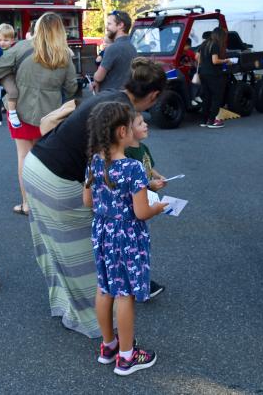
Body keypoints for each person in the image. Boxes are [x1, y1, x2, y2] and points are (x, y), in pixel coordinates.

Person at [21, 58, 166, 338]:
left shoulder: (110, 96)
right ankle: (97, 324)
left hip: (36, 165)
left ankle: (68, 307)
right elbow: (114, 172)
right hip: (58, 180)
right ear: (154, 95)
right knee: (86, 256)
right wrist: (147, 191)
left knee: (60, 247)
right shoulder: (121, 115)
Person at [83, 101, 166, 376]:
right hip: (127, 237)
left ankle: (108, 347)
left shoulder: (94, 162)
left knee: (104, 288)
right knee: (125, 294)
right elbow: (141, 211)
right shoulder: (132, 168)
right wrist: (159, 207)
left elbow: (87, 201)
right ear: (122, 132)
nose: (135, 130)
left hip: (102, 233)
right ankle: (128, 356)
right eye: (133, 126)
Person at [0, 12, 78, 216]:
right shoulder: (64, 54)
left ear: (37, 29)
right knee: (44, 158)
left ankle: (27, 204)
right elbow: (72, 87)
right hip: (51, 115)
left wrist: (12, 82)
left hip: (19, 110)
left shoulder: (21, 47)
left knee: (23, 156)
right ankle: (45, 204)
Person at [125, 112, 167, 298]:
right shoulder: (126, 153)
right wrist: (149, 185)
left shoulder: (143, 148)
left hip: (146, 198)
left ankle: (136, 279)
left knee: (139, 239)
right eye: (140, 123)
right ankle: (138, 283)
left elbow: (149, 167)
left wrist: (157, 176)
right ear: (127, 131)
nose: (146, 125)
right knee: (135, 243)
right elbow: (132, 182)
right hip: (138, 201)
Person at [90, 11, 137, 93]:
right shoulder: (132, 47)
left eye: (109, 24)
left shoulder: (113, 48)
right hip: (125, 97)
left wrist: (94, 77)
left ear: (120, 25)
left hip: (110, 98)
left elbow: (98, 77)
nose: (106, 28)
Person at [197, 27, 235, 128]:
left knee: (207, 97)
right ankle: (212, 121)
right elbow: (215, 61)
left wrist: (205, 63)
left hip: (203, 73)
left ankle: (203, 120)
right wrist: (226, 60)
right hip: (213, 74)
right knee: (216, 97)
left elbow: (197, 58)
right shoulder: (215, 44)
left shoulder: (204, 43)